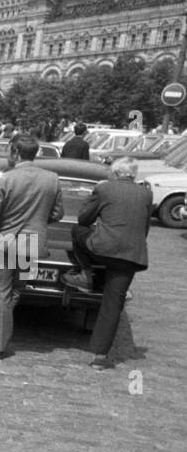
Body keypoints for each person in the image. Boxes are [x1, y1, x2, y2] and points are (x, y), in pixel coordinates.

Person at [0, 135, 63, 360]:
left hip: (5, 242)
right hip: (32, 244)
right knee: (13, 291)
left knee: (0, 292)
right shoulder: (52, 179)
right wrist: (38, 223)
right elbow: (58, 213)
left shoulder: (5, 180)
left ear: (14, 152)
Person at [60, 156, 152, 368]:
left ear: (116, 173)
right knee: (113, 303)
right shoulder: (146, 194)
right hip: (130, 254)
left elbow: (84, 219)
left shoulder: (105, 189)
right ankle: (100, 357)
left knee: (77, 231)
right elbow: (144, 228)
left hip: (103, 248)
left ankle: (85, 273)